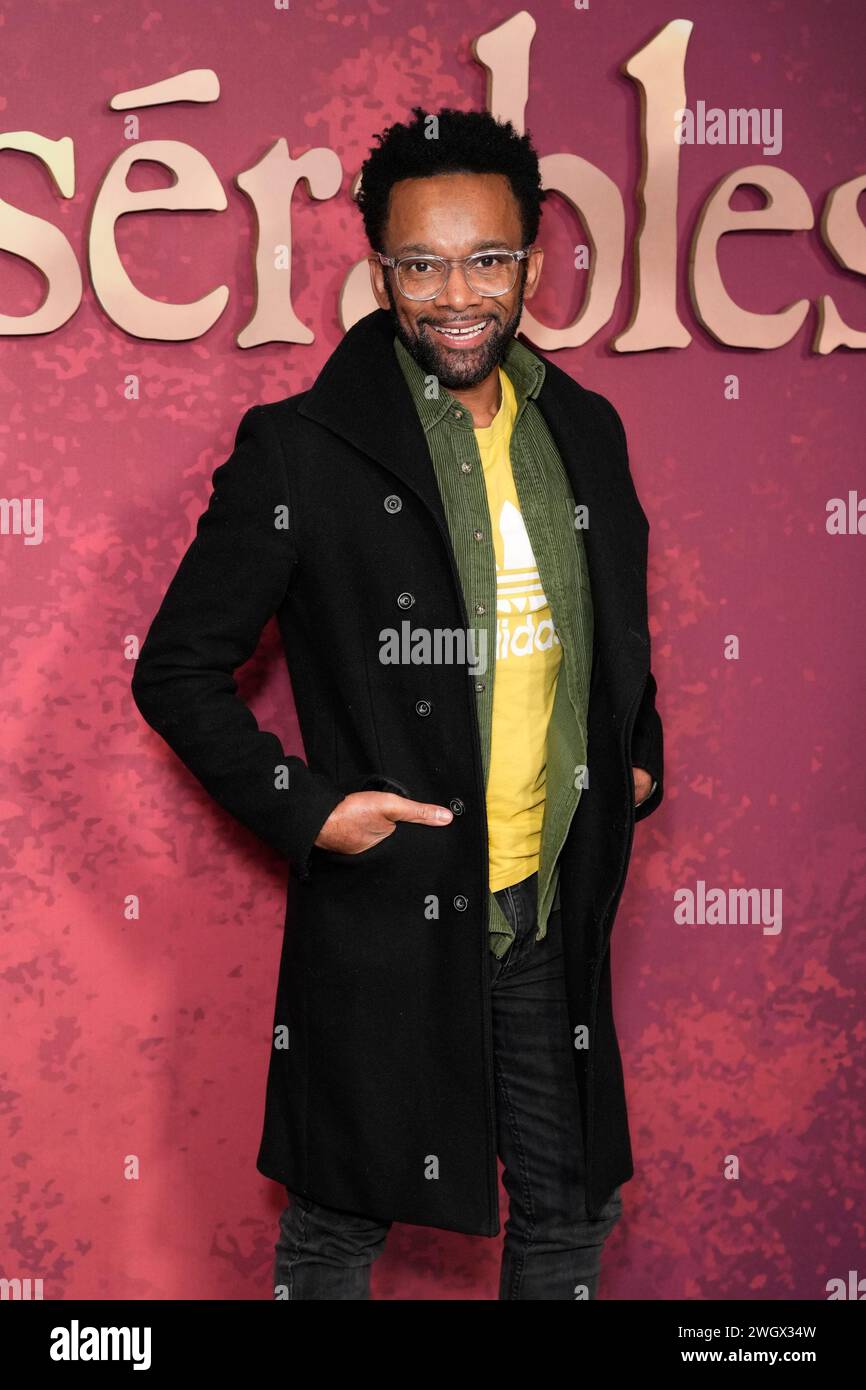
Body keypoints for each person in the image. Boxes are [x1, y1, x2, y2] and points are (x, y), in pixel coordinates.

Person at [131, 106, 663, 1300]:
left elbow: (613, 626)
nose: (453, 294)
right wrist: (308, 809)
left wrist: (634, 760)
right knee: (334, 1229)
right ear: (379, 270)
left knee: (572, 1208)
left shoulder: (583, 430)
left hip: (543, 914)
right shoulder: (302, 448)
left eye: (485, 259)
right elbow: (173, 667)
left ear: (531, 260)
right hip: (389, 912)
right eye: (419, 263)